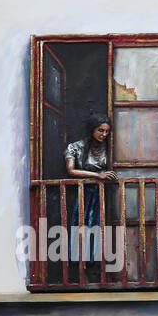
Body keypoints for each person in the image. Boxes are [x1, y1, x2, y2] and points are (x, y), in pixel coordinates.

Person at [64, 114, 117, 272]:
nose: (104, 135)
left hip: (102, 194)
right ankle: (78, 262)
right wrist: (97, 175)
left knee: (99, 225)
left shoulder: (111, 148)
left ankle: (94, 263)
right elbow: (71, 170)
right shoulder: (75, 147)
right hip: (82, 192)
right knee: (80, 223)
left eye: (107, 132)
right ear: (92, 129)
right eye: (101, 130)